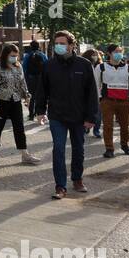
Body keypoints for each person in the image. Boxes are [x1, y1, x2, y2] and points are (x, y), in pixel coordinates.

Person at [36, 31, 99, 200]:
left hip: (79, 116)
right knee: (58, 149)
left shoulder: (84, 65)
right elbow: (42, 90)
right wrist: (40, 111)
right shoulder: (49, 65)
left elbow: (92, 93)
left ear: (72, 45)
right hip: (57, 115)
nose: (59, 46)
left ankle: (77, 179)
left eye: (62, 43)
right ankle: (60, 186)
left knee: (78, 149)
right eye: (57, 43)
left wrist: (91, 117)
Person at [0, 43, 40, 166]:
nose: (15, 58)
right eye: (12, 56)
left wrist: (27, 96)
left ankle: (25, 153)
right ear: (6, 55)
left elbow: (23, 82)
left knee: (19, 127)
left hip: (15, 99)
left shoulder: (18, 66)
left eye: (16, 56)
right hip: (0, 99)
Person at [98, 44, 129, 158]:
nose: (119, 53)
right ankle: (109, 148)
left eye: (120, 51)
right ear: (109, 53)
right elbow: (96, 83)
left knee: (125, 125)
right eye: (116, 51)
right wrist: (100, 97)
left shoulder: (128, 68)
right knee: (108, 125)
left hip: (124, 101)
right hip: (107, 101)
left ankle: (125, 145)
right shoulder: (101, 67)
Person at [23, 39, 48, 119]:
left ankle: (31, 114)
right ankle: (39, 113)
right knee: (40, 95)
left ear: (31, 46)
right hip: (40, 78)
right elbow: (46, 66)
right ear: (38, 46)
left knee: (32, 96)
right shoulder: (42, 55)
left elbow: (24, 68)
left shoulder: (27, 55)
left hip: (31, 79)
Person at [84, 48, 104, 138]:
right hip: (86, 93)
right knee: (85, 111)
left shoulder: (101, 66)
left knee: (98, 113)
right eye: (93, 55)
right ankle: (86, 127)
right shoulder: (84, 65)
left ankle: (96, 130)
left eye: (96, 55)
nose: (95, 56)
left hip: (98, 93)